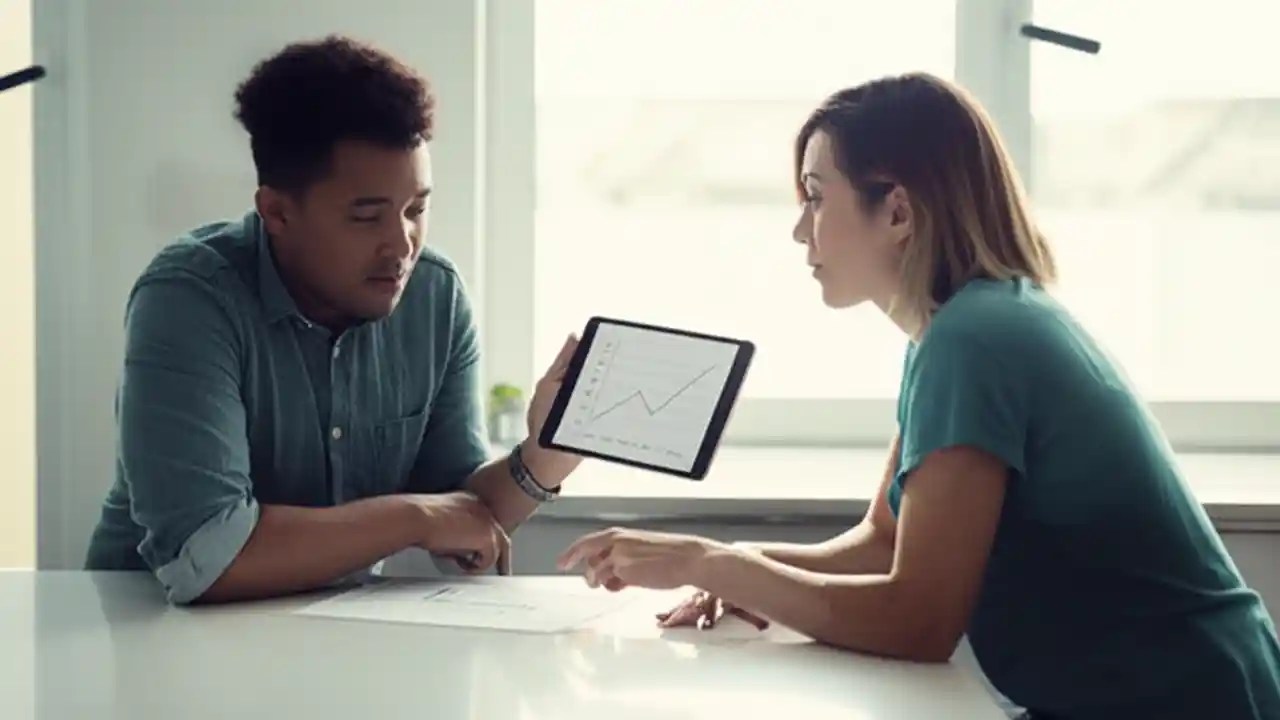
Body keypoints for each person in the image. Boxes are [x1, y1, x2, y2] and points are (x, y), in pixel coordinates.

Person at [558, 73, 1280, 719]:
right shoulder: (962, 329)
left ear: (897, 212)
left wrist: (712, 565)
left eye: (816, 197)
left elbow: (918, 623)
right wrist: (735, 561)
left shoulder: (976, 342)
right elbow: (883, 543)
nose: (798, 228)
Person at [85, 35, 582, 605]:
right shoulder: (188, 299)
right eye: (366, 216)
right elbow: (208, 556)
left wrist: (542, 457)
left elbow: (460, 515)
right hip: (143, 640)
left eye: (416, 209)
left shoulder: (434, 296)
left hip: (327, 638)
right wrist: (414, 516)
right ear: (276, 212)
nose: (402, 244)